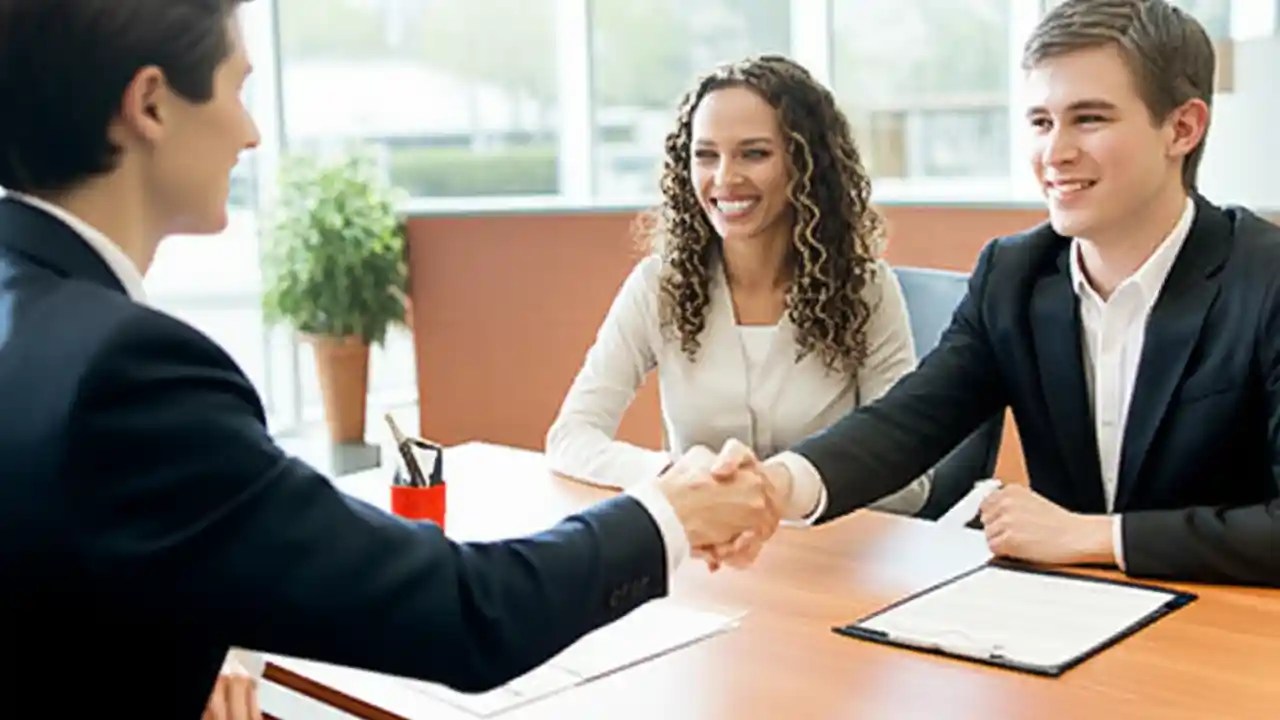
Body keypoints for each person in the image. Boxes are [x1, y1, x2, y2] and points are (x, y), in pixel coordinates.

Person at [0, 1, 782, 717]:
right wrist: (668, 516)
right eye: (237, 89)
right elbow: (465, 615)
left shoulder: (30, 311)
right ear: (150, 105)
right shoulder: (128, 370)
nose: (251, 133)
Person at [704, 0, 1279, 587]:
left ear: (1182, 128)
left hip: (1235, 629)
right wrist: (775, 486)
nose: (1054, 153)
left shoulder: (1266, 279)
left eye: (1090, 119)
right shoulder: (1015, 274)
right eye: (1039, 122)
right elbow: (908, 422)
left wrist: (1099, 535)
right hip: (1070, 618)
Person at [546, 55, 930, 517]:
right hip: (699, 557)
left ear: (805, 164)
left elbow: (908, 480)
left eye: (754, 153)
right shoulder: (658, 286)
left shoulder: (866, 289)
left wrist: (778, 487)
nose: (725, 178)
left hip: (830, 560)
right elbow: (571, 436)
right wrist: (677, 476)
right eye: (706, 155)